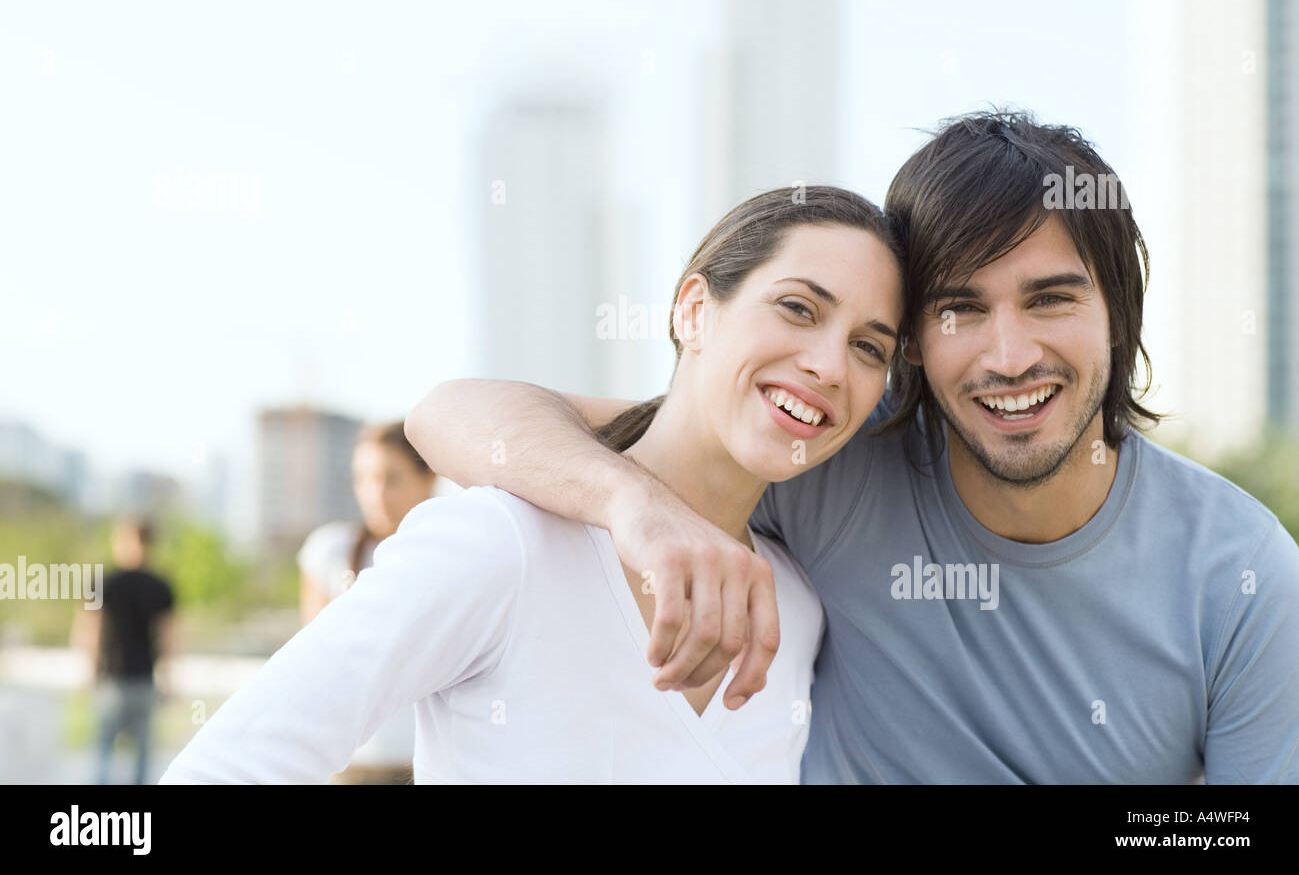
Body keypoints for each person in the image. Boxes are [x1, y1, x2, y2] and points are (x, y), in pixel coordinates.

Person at [404, 109, 1299, 784]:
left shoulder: (1242, 570)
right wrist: (633, 503)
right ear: (910, 339)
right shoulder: (827, 461)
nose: (1009, 353)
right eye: (960, 308)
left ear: (1118, 314)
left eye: (1052, 299)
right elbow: (452, 413)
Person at [158, 185, 906, 784]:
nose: (830, 365)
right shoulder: (501, 542)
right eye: (798, 307)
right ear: (693, 310)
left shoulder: (797, 610)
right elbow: (230, 765)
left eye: (868, 347)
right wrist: (633, 502)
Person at [297, 420, 437, 784]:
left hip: (427, 766)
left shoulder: (451, 556)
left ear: (429, 479)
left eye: (391, 479)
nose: (375, 494)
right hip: (350, 765)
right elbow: (312, 665)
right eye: (363, 479)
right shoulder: (331, 550)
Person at [74, 516, 177, 785]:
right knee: (140, 755)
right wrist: (167, 680)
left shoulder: (103, 582)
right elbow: (168, 638)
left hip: (114, 680)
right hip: (141, 680)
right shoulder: (161, 585)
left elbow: (90, 630)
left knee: (104, 752)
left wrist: (88, 671)